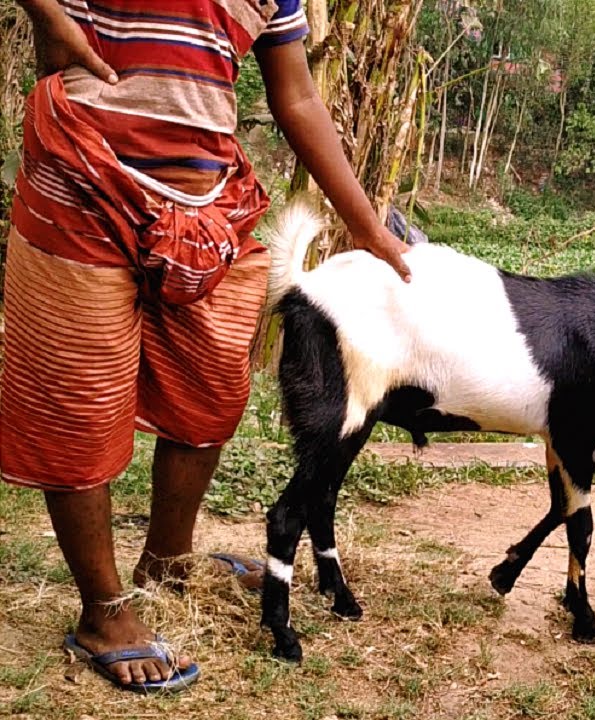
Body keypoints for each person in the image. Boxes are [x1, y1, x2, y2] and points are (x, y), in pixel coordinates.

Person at [2, 0, 412, 694]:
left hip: (206, 211)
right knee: (75, 401)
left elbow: (296, 92)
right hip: (80, 185)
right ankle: (103, 610)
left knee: (210, 393)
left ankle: (166, 563)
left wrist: (368, 226)